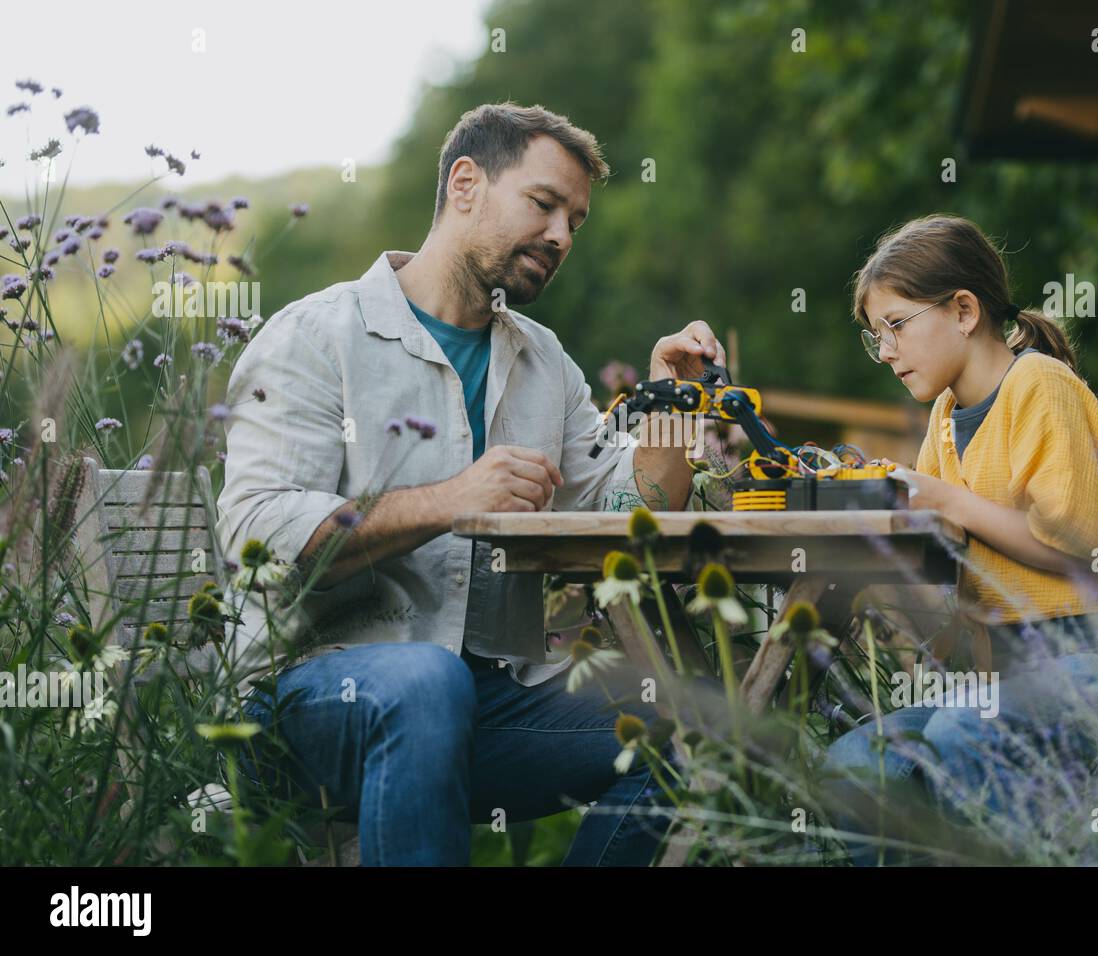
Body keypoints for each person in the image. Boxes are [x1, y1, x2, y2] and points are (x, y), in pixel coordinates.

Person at [215, 102, 726, 865]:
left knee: (686, 731)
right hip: (307, 704)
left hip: (482, 707)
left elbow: (633, 509)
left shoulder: (544, 361)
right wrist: (453, 499)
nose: (561, 236)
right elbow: (258, 532)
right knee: (426, 684)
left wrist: (672, 405)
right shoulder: (317, 336)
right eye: (544, 204)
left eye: (575, 223)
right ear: (464, 184)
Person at [823, 214, 1098, 864]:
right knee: (854, 760)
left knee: (961, 731)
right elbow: (944, 572)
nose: (887, 351)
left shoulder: (1041, 387)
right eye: (876, 338)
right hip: (1007, 680)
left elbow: (1074, 547)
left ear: (962, 310)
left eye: (896, 326)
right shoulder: (945, 418)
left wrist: (945, 500)